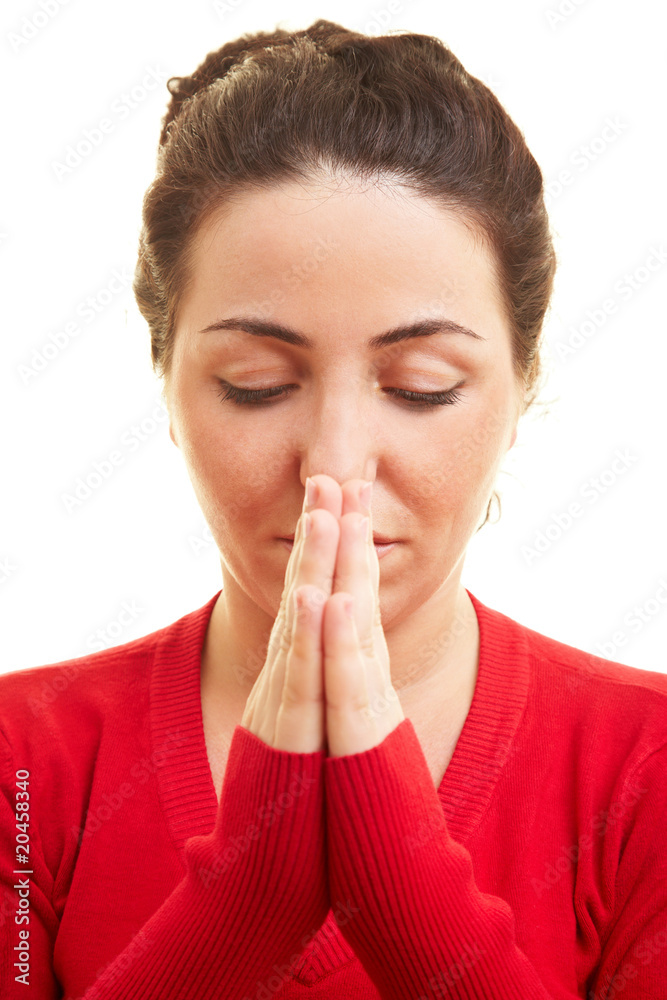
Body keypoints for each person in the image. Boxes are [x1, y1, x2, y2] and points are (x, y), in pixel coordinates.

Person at [1, 18, 666, 999]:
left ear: (521, 386)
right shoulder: (21, 768)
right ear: (168, 384)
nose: (335, 468)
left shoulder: (648, 772)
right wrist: (251, 898)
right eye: (256, 384)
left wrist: (399, 884)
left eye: (423, 386)